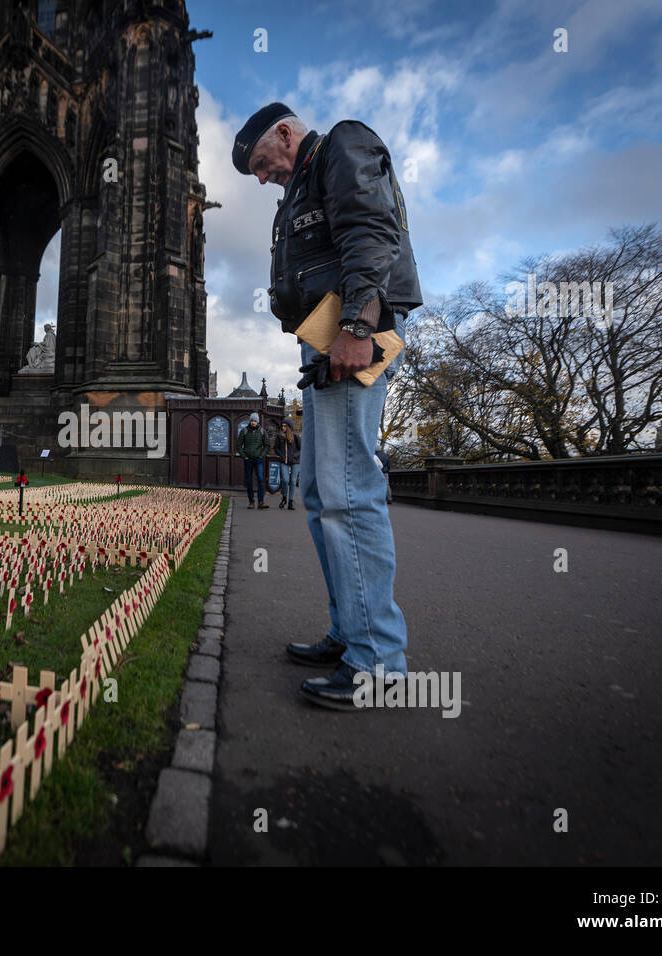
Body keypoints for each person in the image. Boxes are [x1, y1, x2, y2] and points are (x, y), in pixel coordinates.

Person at [233, 103, 423, 709]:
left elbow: (372, 231)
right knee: (320, 495)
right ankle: (350, 633)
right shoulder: (299, 185)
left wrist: (357, 326)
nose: (263, 180)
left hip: (350, 342)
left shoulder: (341, 145)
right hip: (325, 348)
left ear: (286, 133)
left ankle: (378, 662)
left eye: (263, 165)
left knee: (347, 495)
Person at [235, 413, 269, 509]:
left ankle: (261, 502)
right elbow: (238, 445)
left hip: (258, 459)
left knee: (261, 479)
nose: (253, 422)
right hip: (248, 459)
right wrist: (244, 456)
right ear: (250, 421)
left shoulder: (262, 431)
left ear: (257, 421)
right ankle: (251, 502)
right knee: (249, 481)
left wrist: (262, 455)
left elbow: (267, 446)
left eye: (254, 421)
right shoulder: (244, 431)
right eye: (251, 420)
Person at [274, 418, 301, 511]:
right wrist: (281, 455)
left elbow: (301, 449)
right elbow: (276, 448)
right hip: (284, 462)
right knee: (285, 480)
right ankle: (284, 498)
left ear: (289, 427)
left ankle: (290, 502)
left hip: (295, 462)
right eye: (282, 425)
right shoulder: (280, 437)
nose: (283, 427)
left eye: (285, 426)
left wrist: (294, 455)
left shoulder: (296, 437)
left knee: (293, 481)